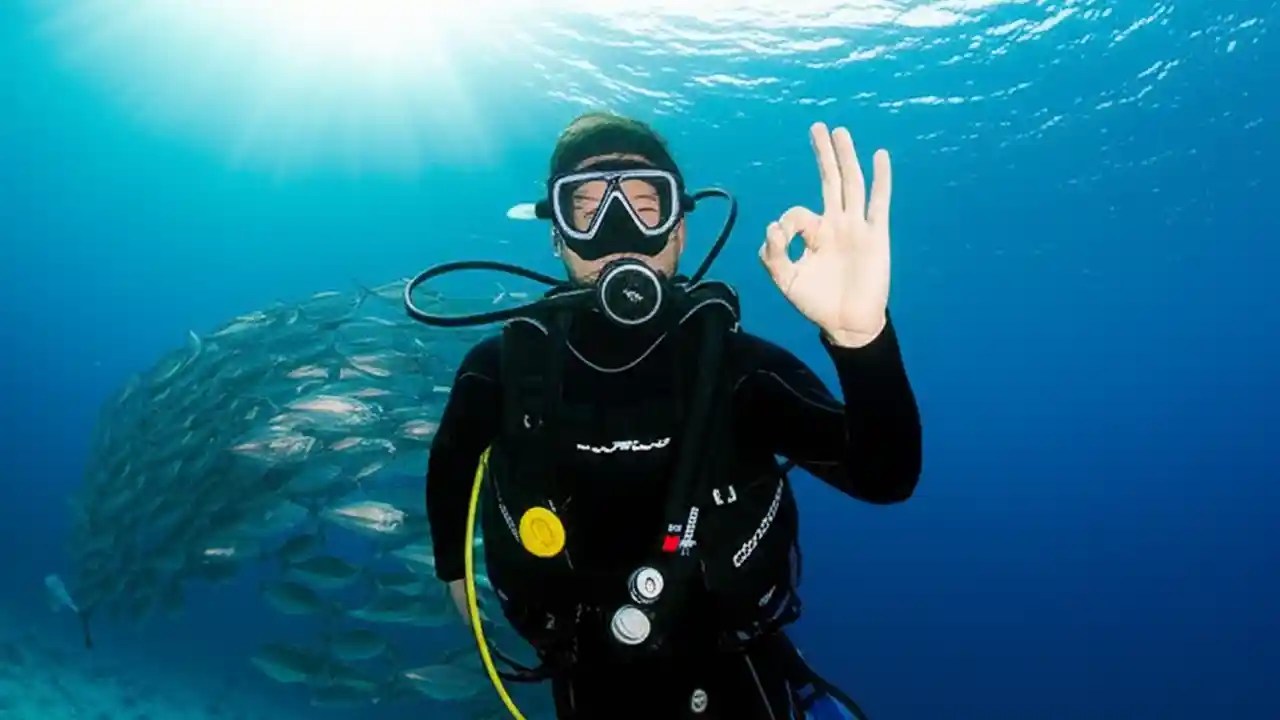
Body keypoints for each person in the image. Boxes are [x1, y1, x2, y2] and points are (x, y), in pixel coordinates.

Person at [422, 111, 922, 719]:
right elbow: (450, 465)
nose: (618, 231)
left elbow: (885, 476)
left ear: (680, 228)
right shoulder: (499, 373)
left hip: (738, 675)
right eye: (587, 208)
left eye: (644, 202)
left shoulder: (738, 370)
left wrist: (861, 339)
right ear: (558, 235)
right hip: (588, 683)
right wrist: (453, 568)